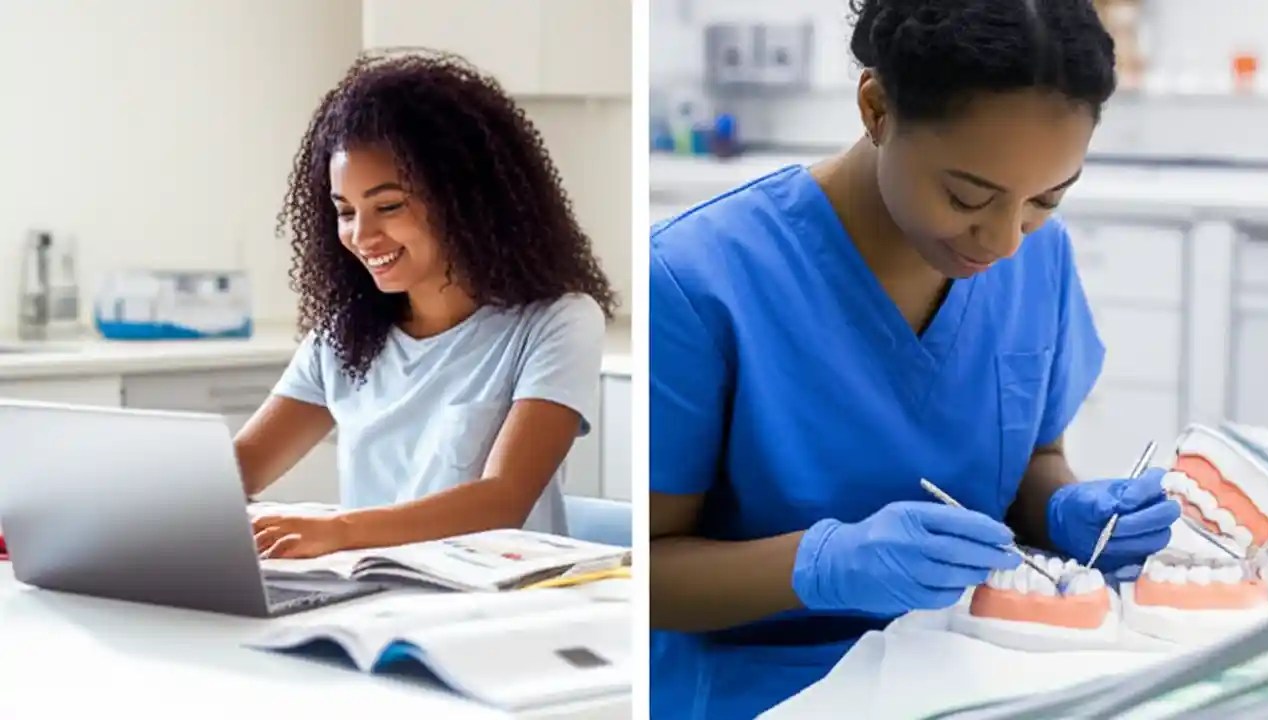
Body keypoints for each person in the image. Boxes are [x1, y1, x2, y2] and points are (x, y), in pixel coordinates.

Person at [648, 1, 1182, 717]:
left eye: (1044, 200)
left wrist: (1065, 509)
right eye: (968, 196)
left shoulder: (1039, 258)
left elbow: (1032, 459)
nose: (1002, 242)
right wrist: (822, 565)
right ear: (875, 107)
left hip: (972, 667)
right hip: (762, 686)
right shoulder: (697, 281)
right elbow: (645, 575)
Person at [242, 50, 616, 560]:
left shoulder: (558, 322)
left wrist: (338, 530)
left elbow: (502, 500)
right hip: (373, 597)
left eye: (388, 207)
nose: (361, 235)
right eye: (345, 211)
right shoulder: (343, 336)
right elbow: (239, 470)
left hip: (501, 606)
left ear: (465, 199)